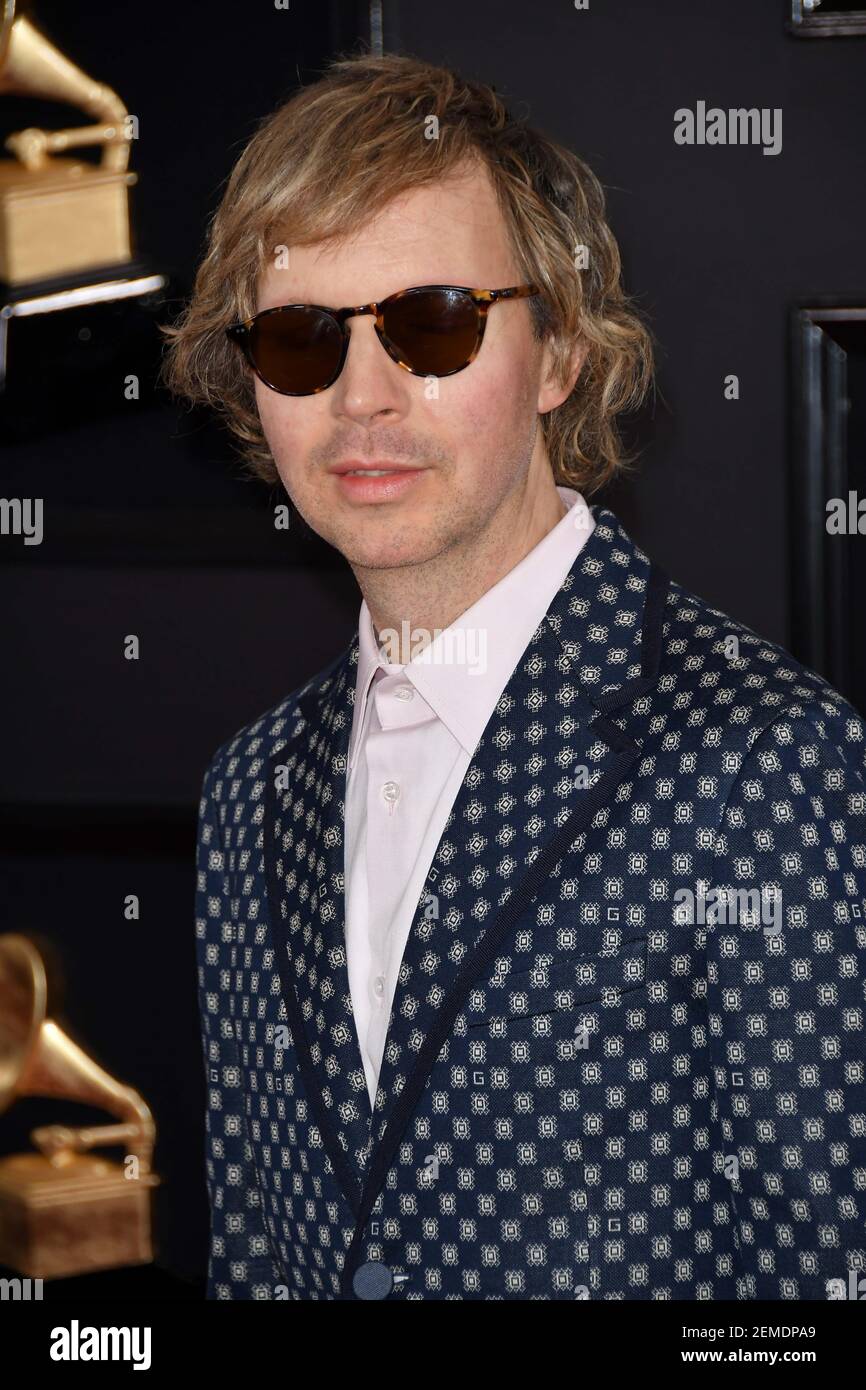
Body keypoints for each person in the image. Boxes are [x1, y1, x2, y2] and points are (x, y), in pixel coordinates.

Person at [164, 52, 866, 1301]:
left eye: (430, 323)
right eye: (298, 337)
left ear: (560, 355)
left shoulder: (769, 765)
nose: (361, 399)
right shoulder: (247, 790)